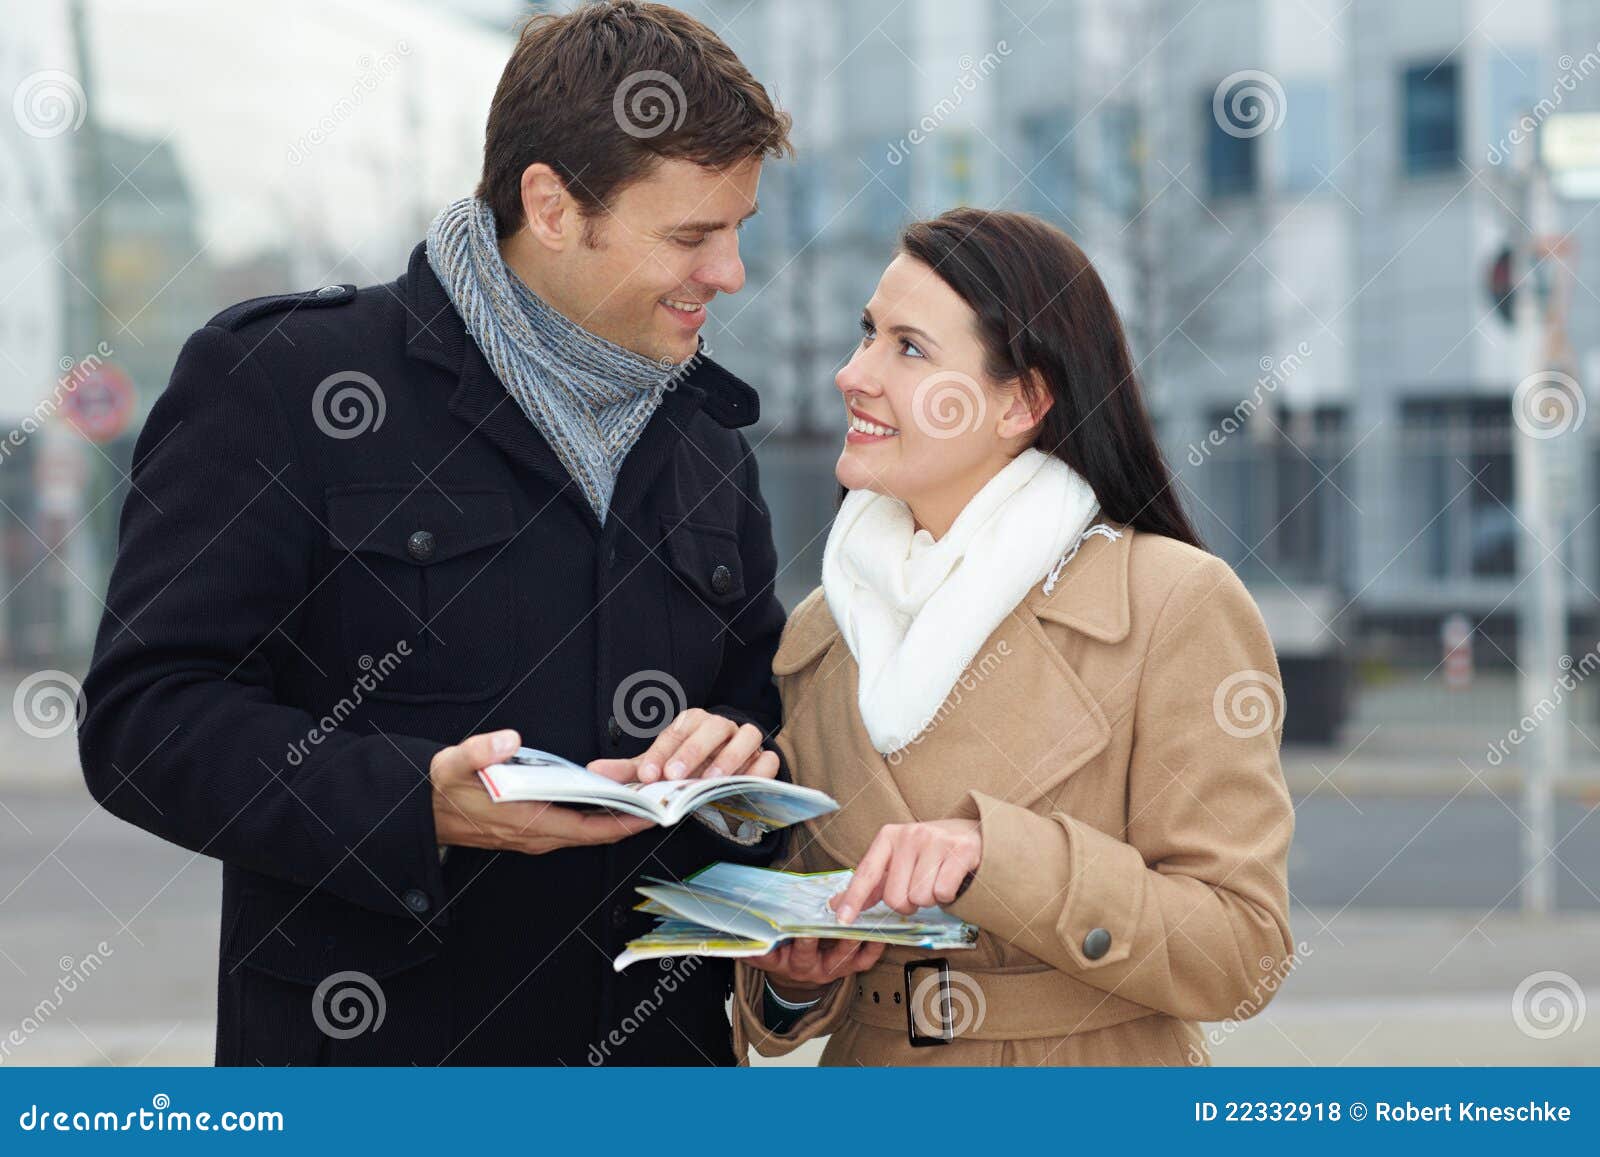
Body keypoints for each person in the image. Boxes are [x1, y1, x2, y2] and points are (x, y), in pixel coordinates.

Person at [78, 1, 794, 1066]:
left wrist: (739, 753)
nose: (728, 273)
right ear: (551, 205)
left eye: (736, 230)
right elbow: (147, 721)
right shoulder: (290, 385)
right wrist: (413, 804)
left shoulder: (705, 442)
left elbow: (751, 704)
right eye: (691, 236)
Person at [732, 208, 1296, 1065]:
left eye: (909, 348)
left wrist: (999, 857)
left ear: (1024, 400)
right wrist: (794, 979)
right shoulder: (823, 628)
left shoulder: (1170, 603)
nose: (854, 374)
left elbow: (1243, 953)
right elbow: (804, 947)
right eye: (866, 335)